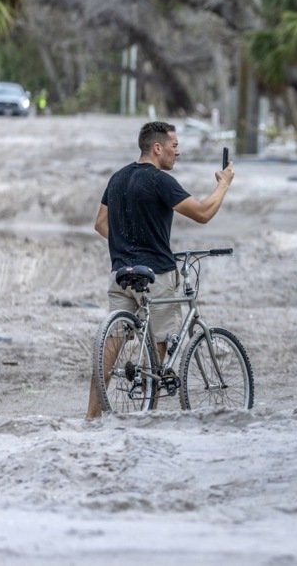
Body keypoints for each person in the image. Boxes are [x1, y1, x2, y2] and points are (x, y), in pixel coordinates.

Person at [87, 120, 234, 419]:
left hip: (122, 274)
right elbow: (204, 213)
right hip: (156, 274)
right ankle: (148, 414)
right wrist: (223, 183)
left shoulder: (117, 178)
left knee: (111, 345)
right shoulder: (159, 181)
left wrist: (127, 244)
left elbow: (100, 224)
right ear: (157, 148)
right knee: (159, 348)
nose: (177, 152)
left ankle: (91, 415)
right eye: (174, 146)